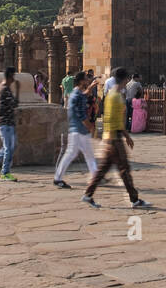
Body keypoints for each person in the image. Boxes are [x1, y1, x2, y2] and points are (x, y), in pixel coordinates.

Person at [82, 67, 148, 210]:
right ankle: (134, 199)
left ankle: (88, 194)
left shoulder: (112, 94)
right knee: (124, 169)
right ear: (124, 79)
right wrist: (126, 136)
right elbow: (115, 120)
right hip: (114, 138)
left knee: (104, 169)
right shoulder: (116, 96)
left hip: (110, 137)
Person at [55, 70, 98, 189]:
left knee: (81, 154)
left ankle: (95, 176)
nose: (88, 79)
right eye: (86, 78)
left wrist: (90, 88)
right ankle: (58, 178)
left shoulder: (76, 93)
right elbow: (81, 114)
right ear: (81, 81)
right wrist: (90, 126)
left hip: (77, 130)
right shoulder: (77, 95)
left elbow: (83, 96)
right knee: (76, 154)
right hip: (79, 130)